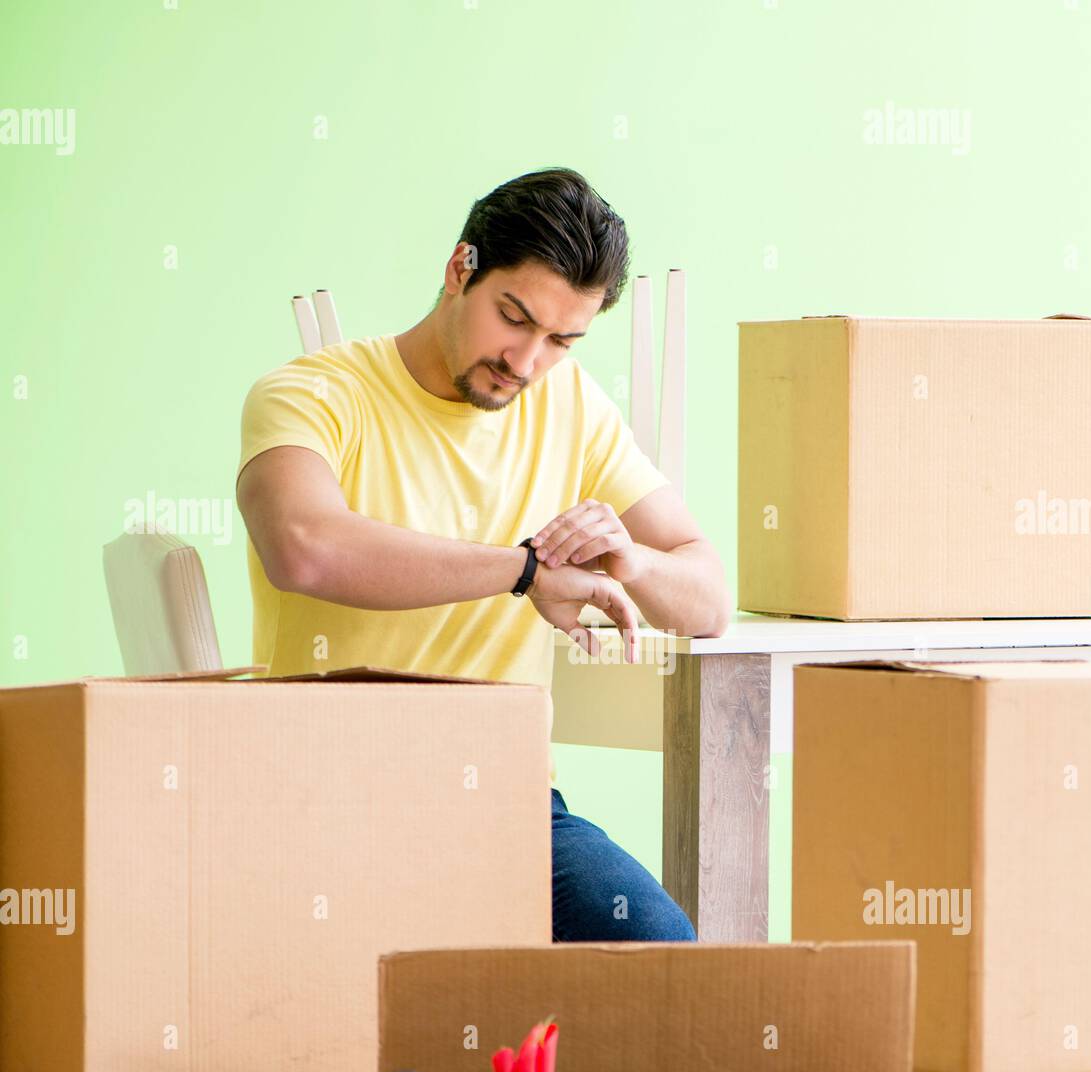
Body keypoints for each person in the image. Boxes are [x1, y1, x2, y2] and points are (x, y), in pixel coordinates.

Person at [235, 167, 731, 943]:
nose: (526, 362)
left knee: (658, 951)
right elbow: (303, 549)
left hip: (508, 805)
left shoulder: (570, 406)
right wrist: (525, 570)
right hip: (322, 803)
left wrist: (628, 559)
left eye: (560, 341)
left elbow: (708, 600)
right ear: (459, 268)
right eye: (514, 318)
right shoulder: (311, 394)